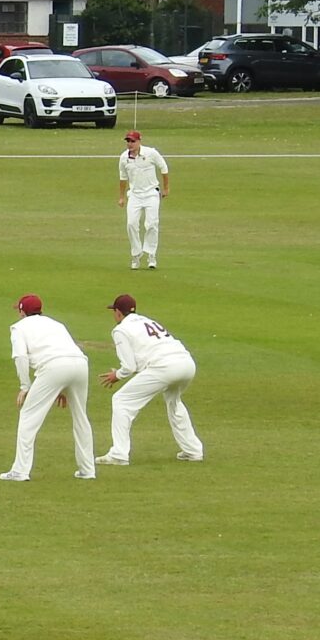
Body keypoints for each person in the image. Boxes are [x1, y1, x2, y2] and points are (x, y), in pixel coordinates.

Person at [98, 293, 204, 465]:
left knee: (122, 400)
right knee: (174, 402)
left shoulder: (120, 330)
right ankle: (193, 451)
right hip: (187, 363)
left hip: (165, 367)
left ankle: (119, 454)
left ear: (118, 312)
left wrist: (116, 375)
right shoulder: (147, 320)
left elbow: (129, 366)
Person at [2, 293, 95, 481]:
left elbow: (20, 357)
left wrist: (25, 386)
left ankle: (20, 471)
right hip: (80, 364)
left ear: (22, 312)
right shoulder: (56, 324)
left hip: (53, 367)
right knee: (81, 417)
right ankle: (88, 470)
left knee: (28, 415)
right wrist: (61, 386)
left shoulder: (18, 327)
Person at [117, 129, 170, 269]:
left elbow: (164, 168)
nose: (130, 144)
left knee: (152, 224)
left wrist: (166, 188)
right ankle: (136, 255)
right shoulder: (124, 157)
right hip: (134, 195)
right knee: (131, 224)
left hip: (151, 193)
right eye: (128, 141)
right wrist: (121, 197)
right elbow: (123, 177)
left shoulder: (151, 153)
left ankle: (151, 255)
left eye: (132, 141)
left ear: (139, 141)